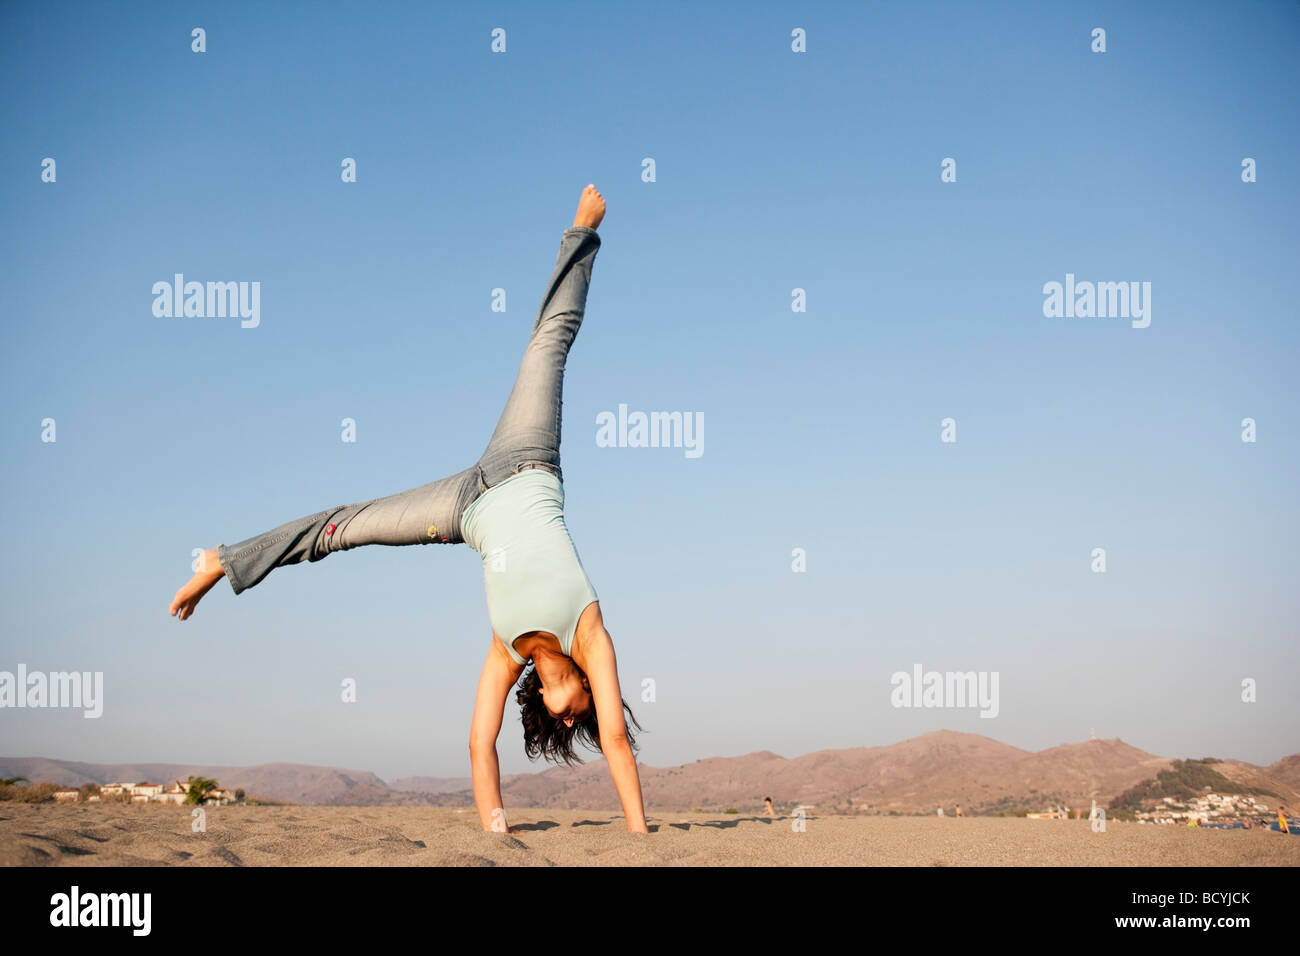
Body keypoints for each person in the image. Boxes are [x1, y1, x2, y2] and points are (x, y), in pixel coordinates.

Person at [168, 185, 648, 834]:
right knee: (549, 343)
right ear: (588, 686)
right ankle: (581, 233)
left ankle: (223, 561)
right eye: (580, 713)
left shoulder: (506, 654)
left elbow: (480, 746)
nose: (573, 718)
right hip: (527, 457)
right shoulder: (590, 632)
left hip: (463, 509)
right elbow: (619, 740)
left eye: (564, 722)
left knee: (348, 528)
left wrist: (497, 830)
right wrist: (642, 835)